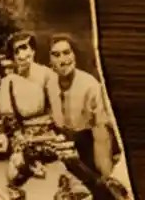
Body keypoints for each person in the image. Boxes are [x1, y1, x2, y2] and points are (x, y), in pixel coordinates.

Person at [48, 34, 118, 199]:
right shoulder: (50, 85)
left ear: (75, 55)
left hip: (91, 151)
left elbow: (101, 137)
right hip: (66, 153)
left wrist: (106, 179)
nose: (63, 60)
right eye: (56, 55)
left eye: (67, 53)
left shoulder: (90, 86)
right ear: (50, 61)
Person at [0, 31, 64, 198]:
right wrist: (20, 141)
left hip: (50, 135)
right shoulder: (7, 82)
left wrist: (57, 135)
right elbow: (7, 117)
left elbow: (58, 113)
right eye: (16, 51)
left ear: (33, 50)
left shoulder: (48, 75)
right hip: (23, 137)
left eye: (25, 48)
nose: (22, 55)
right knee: (14, 172)